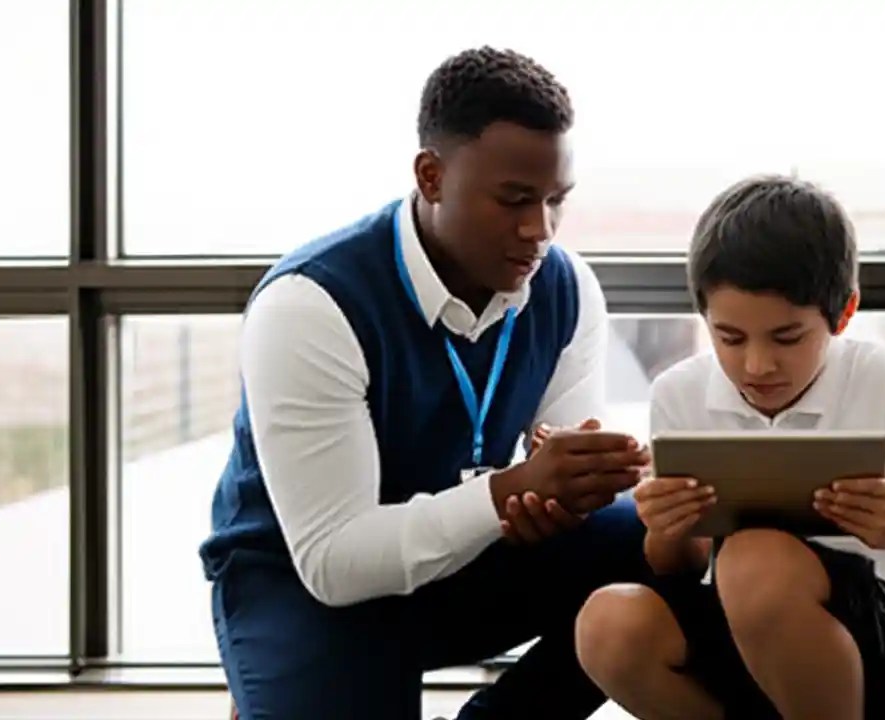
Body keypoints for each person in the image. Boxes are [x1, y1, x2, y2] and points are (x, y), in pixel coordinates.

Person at [198, 46, 657, 719]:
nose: (540, 230)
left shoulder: (566, 289)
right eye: (514, 200)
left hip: (461, 557)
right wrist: (509, 493)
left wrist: (569, 489)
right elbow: (334, 560)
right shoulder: (309, 305)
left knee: (654, 541)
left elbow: (551, 484)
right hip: (304, 584)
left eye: (556, 201)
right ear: (432, 175)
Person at [572, 174, 885, 720]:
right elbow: (681, 566)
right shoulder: (680, 392)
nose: (757, 366)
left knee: (755, 557)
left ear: (843, 314)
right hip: (746, 630)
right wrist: (666, 527)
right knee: (607, 623)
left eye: (787, 338)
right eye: (729, 338)